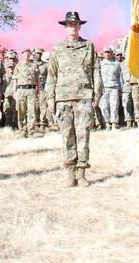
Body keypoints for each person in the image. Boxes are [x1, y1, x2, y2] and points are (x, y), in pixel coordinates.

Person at [44, 10, 103, 187]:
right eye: (69, 24)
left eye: (75, 24)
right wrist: (50, 99)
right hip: (63, 98)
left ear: (79, 26)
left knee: (83, 135)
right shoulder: (57, 48)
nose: (72, 27)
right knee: (67, 137)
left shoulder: (89, 46)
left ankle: (82, 173)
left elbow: (96, 71)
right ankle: (70, 173)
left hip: (84, 97)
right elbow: (51, 75)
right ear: (65, 27)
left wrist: (97, 94)